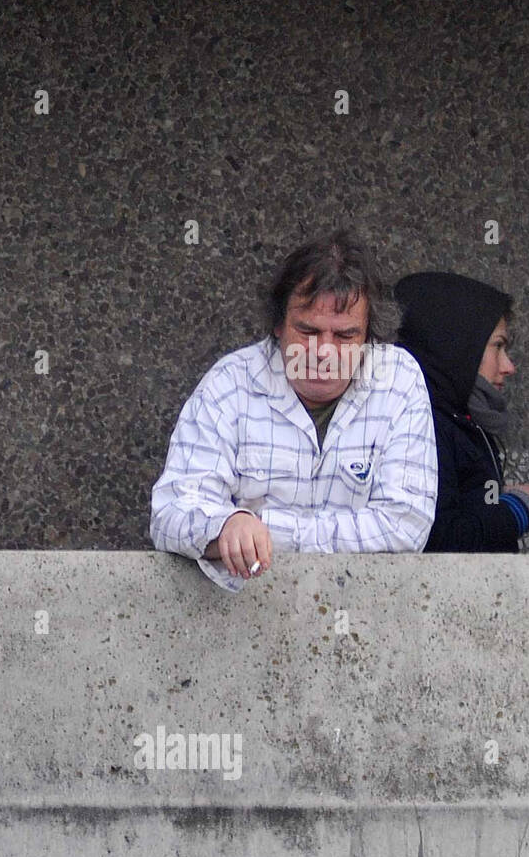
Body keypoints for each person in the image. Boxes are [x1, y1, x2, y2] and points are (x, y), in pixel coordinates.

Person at [150, 229, 437, 591]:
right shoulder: (230, 382)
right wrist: (225, 527)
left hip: (364, 607)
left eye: (345, 336)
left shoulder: (398, 379)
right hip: (243, 612)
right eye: (308, 331)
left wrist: (264, 529)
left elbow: (406, 526)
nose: (324, 352)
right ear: (278, 325)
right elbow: (169, 512)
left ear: (369, 336)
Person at [395, 271, 529, 551]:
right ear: (459, 347)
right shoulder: (427, 427)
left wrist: (493, 502)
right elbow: (442, 541)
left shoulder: (462, 421)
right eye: (498, 346)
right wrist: (519, 509)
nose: (509, 366)